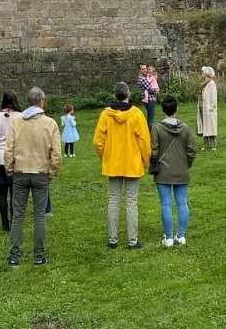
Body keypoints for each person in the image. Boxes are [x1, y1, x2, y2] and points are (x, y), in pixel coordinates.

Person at [4, 87, 61, 266]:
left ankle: (14, 256)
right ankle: (38, 256)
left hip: (20, 172)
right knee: (39, 216)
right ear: (42, 102)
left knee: (18, 215)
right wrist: (51, 172)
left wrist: (10, 169)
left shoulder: (17, 122)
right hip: (40, 173)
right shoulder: (50, 123)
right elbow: (56, 154)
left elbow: (8, 149)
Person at [93, 81, 151, 250]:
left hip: (113, 164)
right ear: (128, 95)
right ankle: (132, 241)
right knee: (131, 203)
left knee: (113, 201)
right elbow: (145, 141)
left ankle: (113, 240)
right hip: (132, 163)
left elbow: (98, 142)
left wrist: (106, 156)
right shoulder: (137, 115)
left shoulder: (106, 115)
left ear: (114, 96)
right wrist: (145, 160)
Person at [151, 94, 196, 248]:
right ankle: (181, 236)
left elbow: (154, 151)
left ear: (163, 109)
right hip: (181, 170)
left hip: (163, 170)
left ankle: (169, 238)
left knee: (166, 204)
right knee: (182, 203)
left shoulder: (157, 128)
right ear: (176, 109)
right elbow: (191, 150)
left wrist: (154, 163)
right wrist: (186, 164)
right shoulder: (185, 128)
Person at [0, 90, 22, 232]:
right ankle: (14, 219)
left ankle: (4, 223)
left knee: (2, 192)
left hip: (1, 155)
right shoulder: (20, 116)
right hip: (15, 156)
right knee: (14, 191)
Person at [197, 66, 219, 149]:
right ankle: (205, 144)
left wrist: (211, 107)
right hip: (203, 106)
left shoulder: (211, 84)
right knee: (204, 124)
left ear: (206, 74)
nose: (202, 74)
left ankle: (213, 144)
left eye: (203, 72)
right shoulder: (204, 84)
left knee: (211, 125)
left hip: (209, 108)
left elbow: (213, 97)